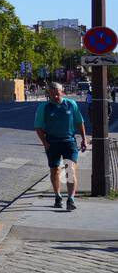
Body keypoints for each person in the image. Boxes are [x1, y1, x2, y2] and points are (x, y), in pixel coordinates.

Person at [35, 81, 89, 211]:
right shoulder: (44, 107)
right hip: (52, 142)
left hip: (69, 141)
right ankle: (58, 196)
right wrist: (45, 143)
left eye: (57, 94)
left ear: (62, 92)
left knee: (70, 170)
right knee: (55, 170)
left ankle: (71, 199)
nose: (55, 97)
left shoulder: (71, 104)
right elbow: (38, 127)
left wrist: (84, 139)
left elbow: (79, 122)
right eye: (52, 94)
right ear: (48, 94)